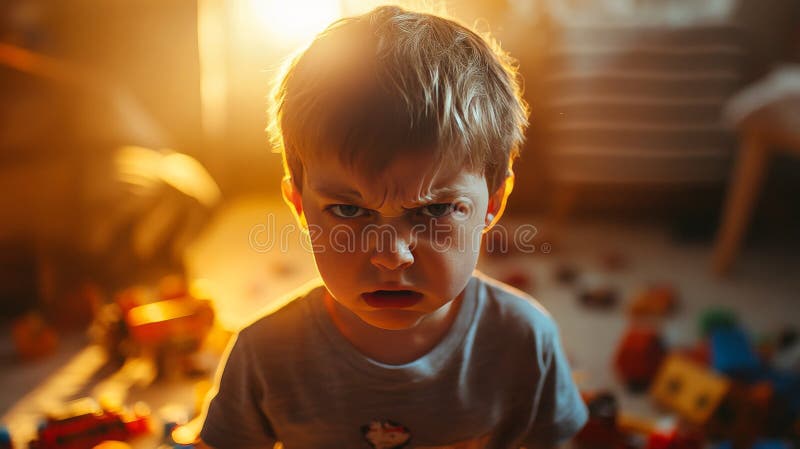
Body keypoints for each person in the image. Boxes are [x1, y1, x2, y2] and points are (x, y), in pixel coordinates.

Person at [198, 5, 587, 448]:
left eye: (435, 210)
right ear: (300, 206)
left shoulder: (524, 342)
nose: (391, 255)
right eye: (348, 211)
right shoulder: (263, 356)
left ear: (493, 204)